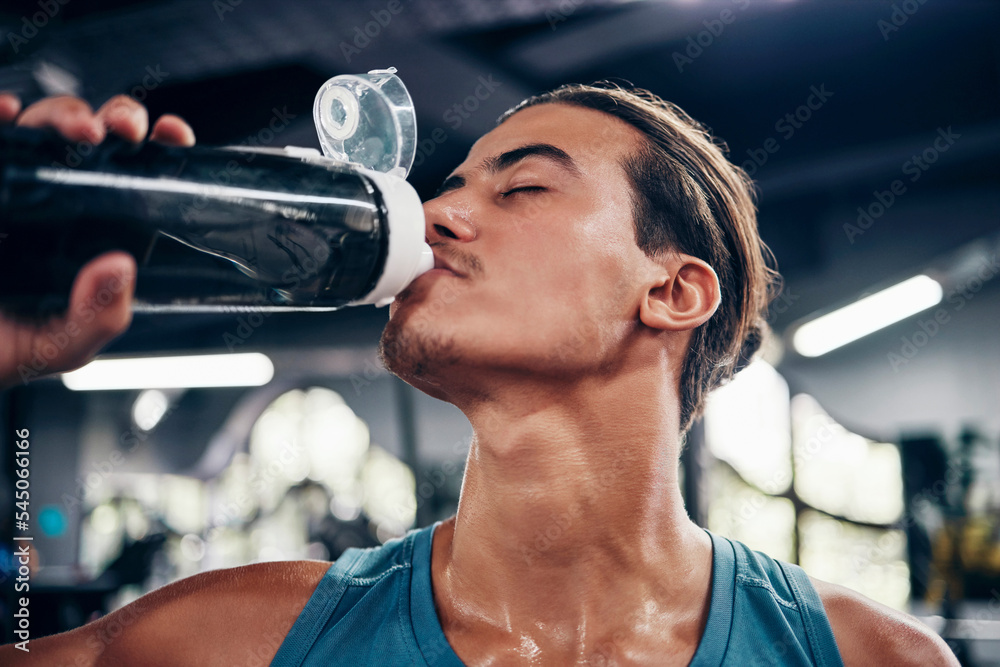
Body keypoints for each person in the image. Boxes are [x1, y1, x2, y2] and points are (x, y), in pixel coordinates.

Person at [0, 86, 957, 666]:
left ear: (672, 290)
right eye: (449, 186)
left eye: (522, 186)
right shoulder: (240, 641)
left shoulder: (872, 657)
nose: (441, 215)